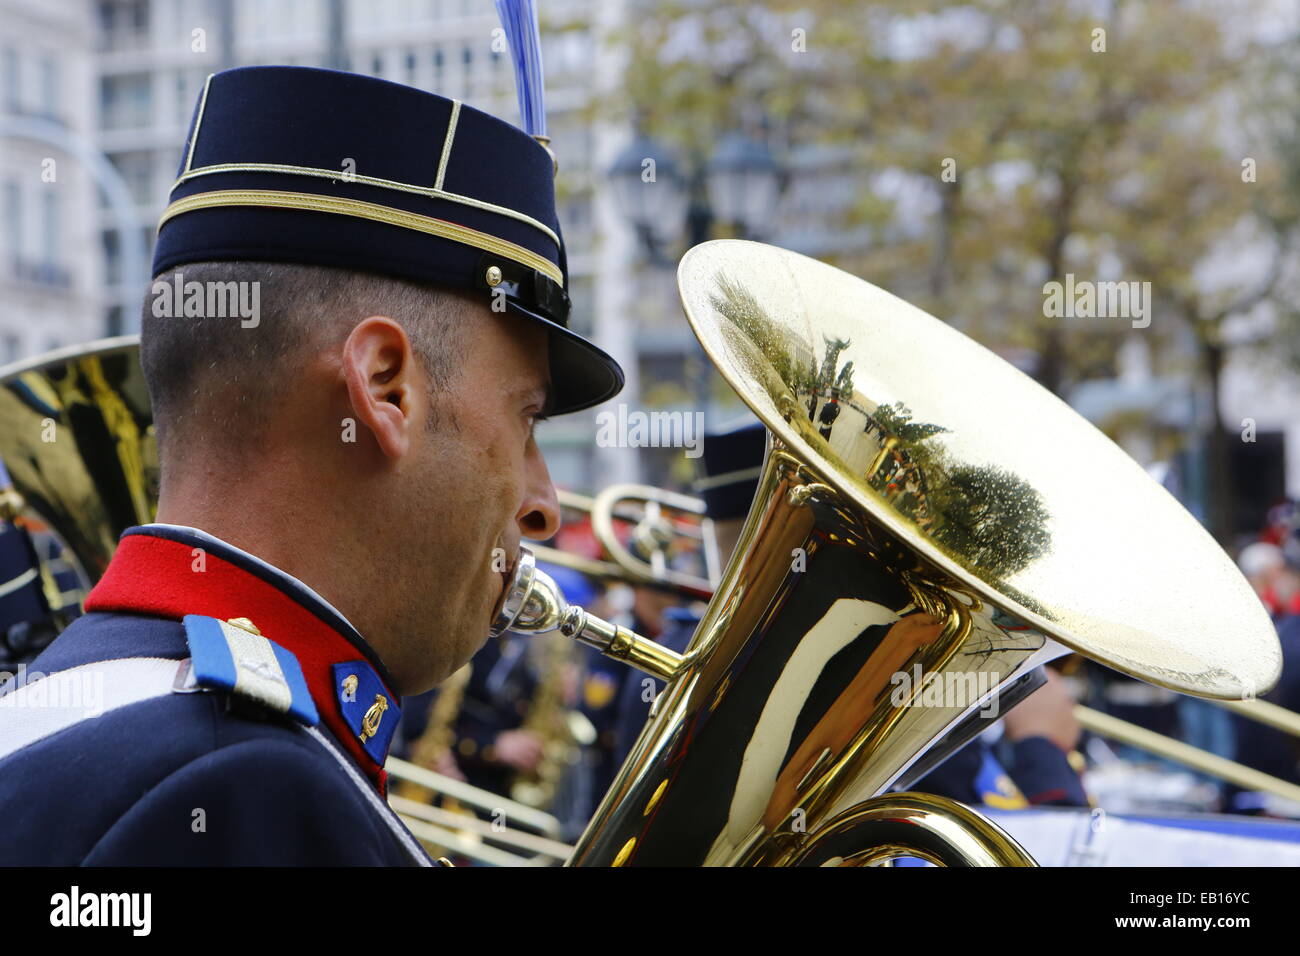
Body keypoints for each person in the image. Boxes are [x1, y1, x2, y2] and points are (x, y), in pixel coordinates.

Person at [0, 61, 622, 865]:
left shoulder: (69, 704)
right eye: (526, 417)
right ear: (386, 388)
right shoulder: (244, 788)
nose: (545, 506)